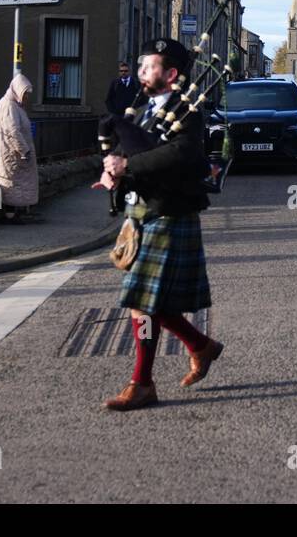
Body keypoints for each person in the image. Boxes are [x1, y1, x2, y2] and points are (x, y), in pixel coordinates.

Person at [96, 37, 223, 411]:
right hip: (141, 212)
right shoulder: (145, 109)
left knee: (142, 301)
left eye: (148, 66)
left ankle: (143, 382)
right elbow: (131, 149)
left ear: (170, 74)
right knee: (149, 302)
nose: (140, 73)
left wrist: (129, 166)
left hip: (169, 211)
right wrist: (112, 172)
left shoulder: (188, 110)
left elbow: (182, 154)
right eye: (141, 66)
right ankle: (200, 345)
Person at [0, 73, 40, 223]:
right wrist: (24, 150)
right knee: (11, 184)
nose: (26, 98)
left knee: (14, 184)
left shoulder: (12, 106)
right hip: (12, 156)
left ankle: (13, 213)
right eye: (25, 95)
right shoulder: (9, 106)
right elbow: (12, 132)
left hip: (13, 155)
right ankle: (9, 215)